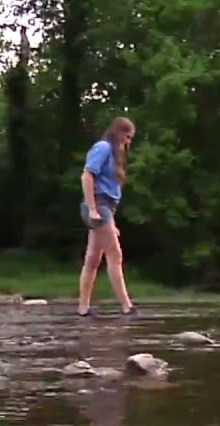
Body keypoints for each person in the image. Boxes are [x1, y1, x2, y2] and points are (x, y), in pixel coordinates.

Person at [77, 117, 136, 317]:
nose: (128, 142)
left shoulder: (115, 156)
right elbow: (87, 176)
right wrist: (93, 209)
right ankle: (127, 306)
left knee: (93, 258)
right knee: (115, 254)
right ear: (119, 132)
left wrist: (110, 220)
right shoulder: (102, 148)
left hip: (106, 208)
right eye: (127, 137)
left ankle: (83, 307)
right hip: (98, 204)